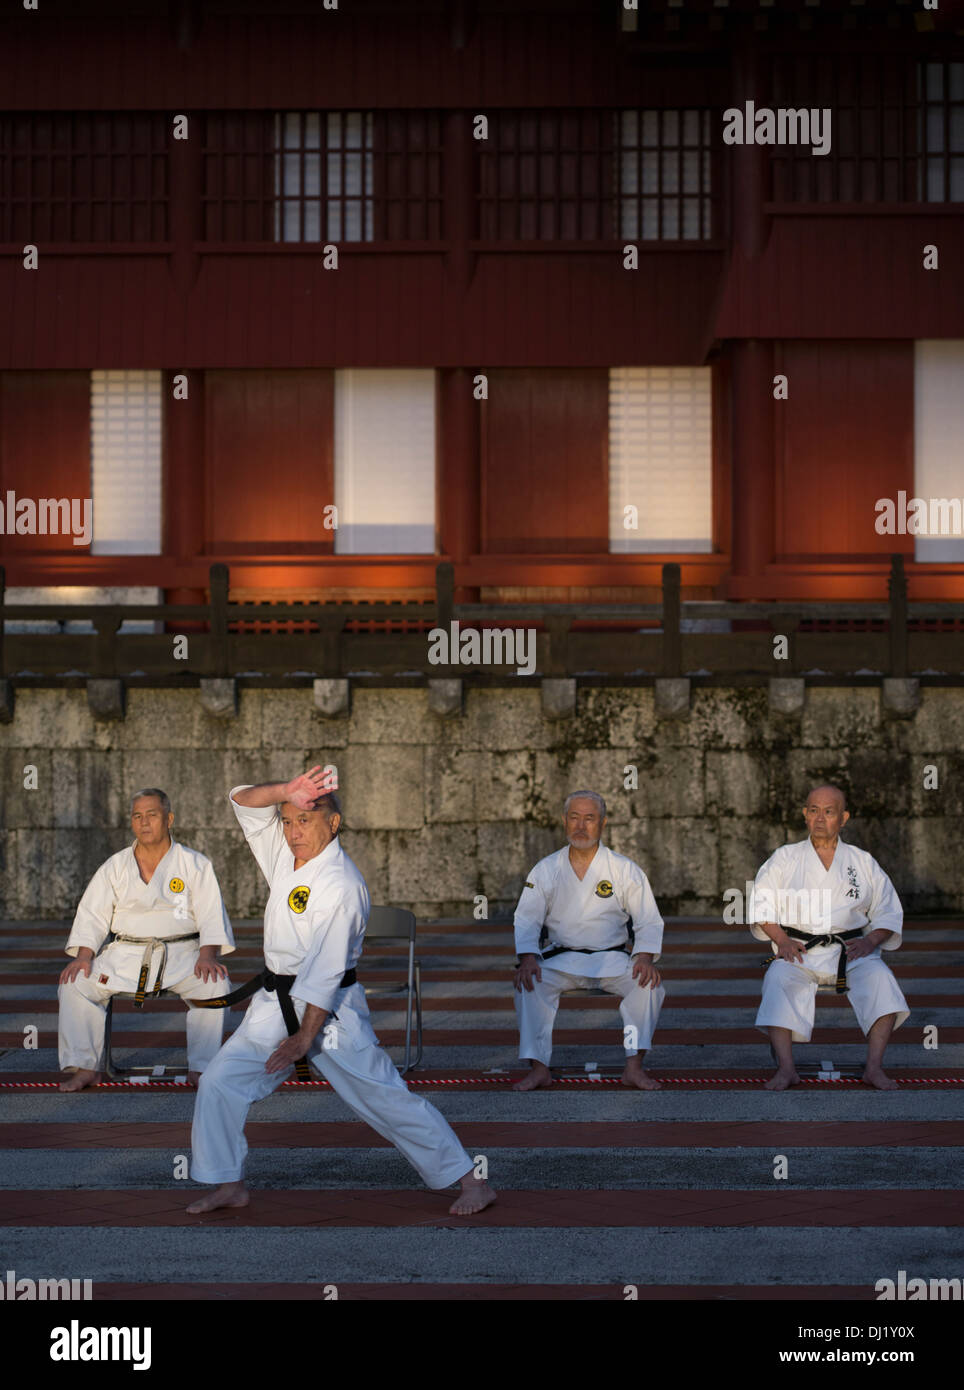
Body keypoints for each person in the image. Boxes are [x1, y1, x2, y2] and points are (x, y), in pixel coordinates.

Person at [186, 765, 496, 1217]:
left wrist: (303, 1040)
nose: (293, 832)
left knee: (384, 1099)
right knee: (218, 1082)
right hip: (274, 1002)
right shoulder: (284, 852)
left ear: (333, 823)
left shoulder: (343, 885)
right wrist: (286, 791)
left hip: (331, 1014)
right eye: (288, 820)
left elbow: (326, 974)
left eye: (304, 820)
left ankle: (472, 1182)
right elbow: (241, 799)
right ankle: (228, 1183)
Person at [58, 788, 234, 1090]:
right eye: (137, 816)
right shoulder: (115, 866)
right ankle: (86, 1066)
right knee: (75, 984)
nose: (144, 822)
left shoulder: (195, 864)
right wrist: (84, 955)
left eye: (152, 814)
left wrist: (208, 954)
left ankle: (202, 1068)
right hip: (125, 955)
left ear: (169, 819)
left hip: (183, 954)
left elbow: (209, 914)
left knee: (214, 984)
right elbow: (93, 914)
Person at [750, 784, 909, 1091]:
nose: (820, 818)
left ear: (843, 818)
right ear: (804, 815)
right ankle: (786, 1069)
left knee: (883, 982)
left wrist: (870, 942)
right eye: (813, 810)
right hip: (799, 950)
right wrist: (781, 940)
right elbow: (761, 905)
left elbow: (888, 911)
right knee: (777, 979)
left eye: (829, 811)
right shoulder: (784, 858)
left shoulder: (862, 862)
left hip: (851, 951)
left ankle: (874, 1068)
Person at [512, 790, 665, 1092]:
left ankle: (634, 1066)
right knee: (530, 985)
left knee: (648, 987)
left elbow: (648, 918)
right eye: (574, 818)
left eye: (589, 819)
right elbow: (527, 917)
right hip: (561, 958)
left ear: (603, 824)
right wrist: (528, 957)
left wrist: (645, 956)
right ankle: (540, 1068)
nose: (581, 826)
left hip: (614, 958)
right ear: (564, 822)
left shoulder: (623, 869)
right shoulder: (546, 869)